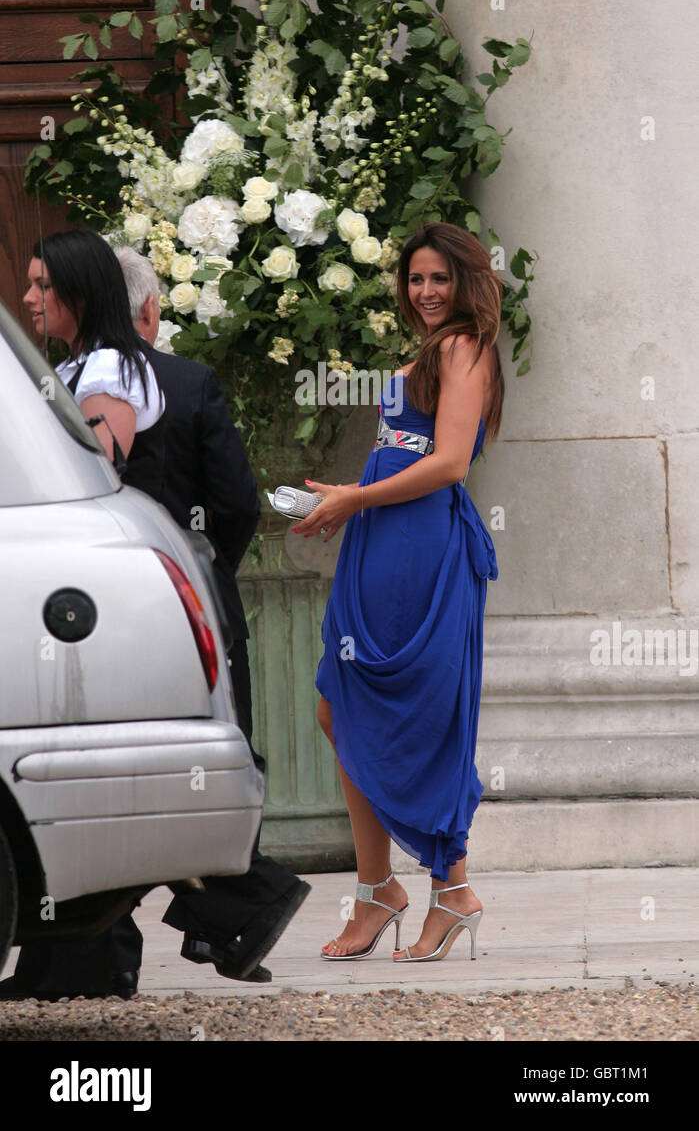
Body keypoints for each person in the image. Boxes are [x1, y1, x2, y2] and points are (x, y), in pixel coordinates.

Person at [294, 222, 502, 963]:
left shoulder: (462, 345)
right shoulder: (430, 351)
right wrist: (343, 499)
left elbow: (449, 462)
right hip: (382, 540)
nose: (424, 292)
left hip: (415, 545)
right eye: (414, 280)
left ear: (467, 281)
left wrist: (354, 497)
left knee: (403, 708)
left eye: (438, 279)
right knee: (338, 702)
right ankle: (388, 888)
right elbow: (406, 450)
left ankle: (444, 888)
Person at [113, 246, 310, 983]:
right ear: (151, 311)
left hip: (111, 615)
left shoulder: (64, 390)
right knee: (210, 757)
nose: (33, 303)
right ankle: (223, 914)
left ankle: (239, 903)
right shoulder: (189, 381)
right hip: (194, 604)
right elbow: (235, 504)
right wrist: (207, 571)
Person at [2, 228, 166, 1000]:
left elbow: (101, 461)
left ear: (77, 291)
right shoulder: (74, 363)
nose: (30, 298)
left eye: (42, 285)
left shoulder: (106, 368)